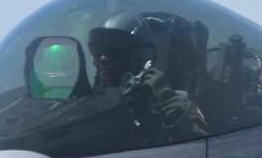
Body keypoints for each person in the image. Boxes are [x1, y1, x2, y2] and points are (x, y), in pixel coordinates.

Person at [87, 12, 211, 143]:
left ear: (139, 57)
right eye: (97, 51)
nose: (103, 59)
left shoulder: (172, 102)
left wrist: (167, 101)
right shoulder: (94, 104)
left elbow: (204, 145)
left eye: (114, 51)